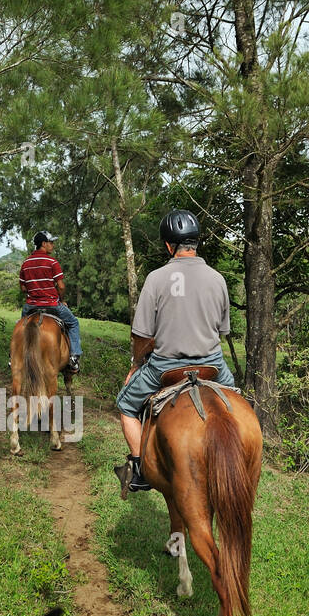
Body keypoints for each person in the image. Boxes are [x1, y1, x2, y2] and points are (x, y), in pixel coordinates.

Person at [116, 209, 236, 491]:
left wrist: (136, 364)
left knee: (125, 405)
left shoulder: (157, 278)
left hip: (166, 367)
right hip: (213, 365)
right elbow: (221, 330)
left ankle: (139, 471)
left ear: (169, 245)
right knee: (239, 401)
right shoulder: (218, 279)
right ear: (196, 243)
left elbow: (142, 335)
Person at [18, 232, 82, 372]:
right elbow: (61, 286)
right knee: (73, 323)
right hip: (52, 305)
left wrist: (34, 290)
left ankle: (13, 356)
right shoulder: (52, 262)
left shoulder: (25, 263)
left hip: (31, 306)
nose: (53, 245)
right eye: (51, 242)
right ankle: (74, 358)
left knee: (21, 326)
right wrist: (62, 300)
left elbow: (23, 288)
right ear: (43, 244)